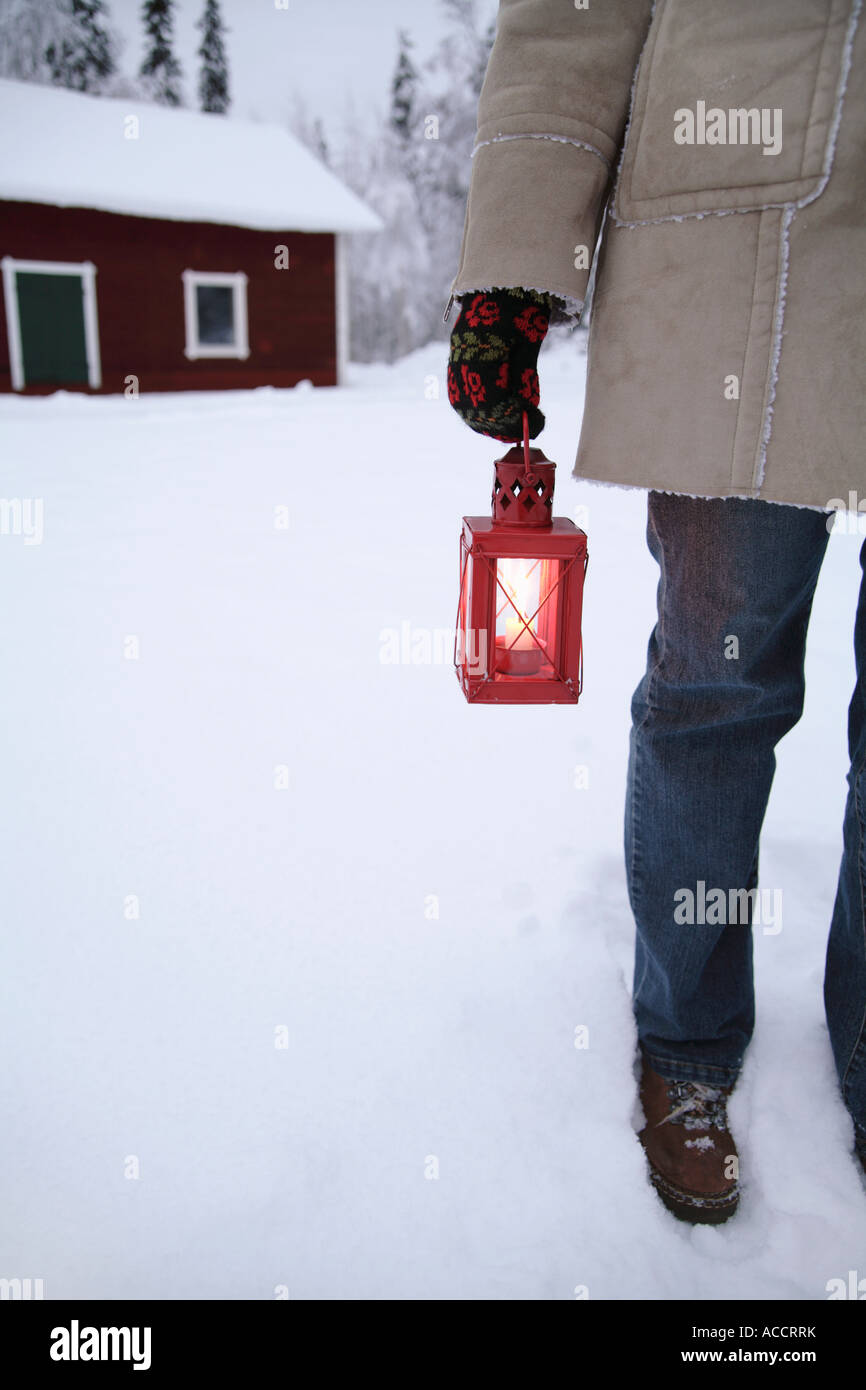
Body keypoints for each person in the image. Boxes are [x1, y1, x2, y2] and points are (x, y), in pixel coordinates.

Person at [447, 0, 866, 1225]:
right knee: (714, 699)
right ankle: (685, 1044)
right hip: (738, 271)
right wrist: (516, 260)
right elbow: (572, 23)